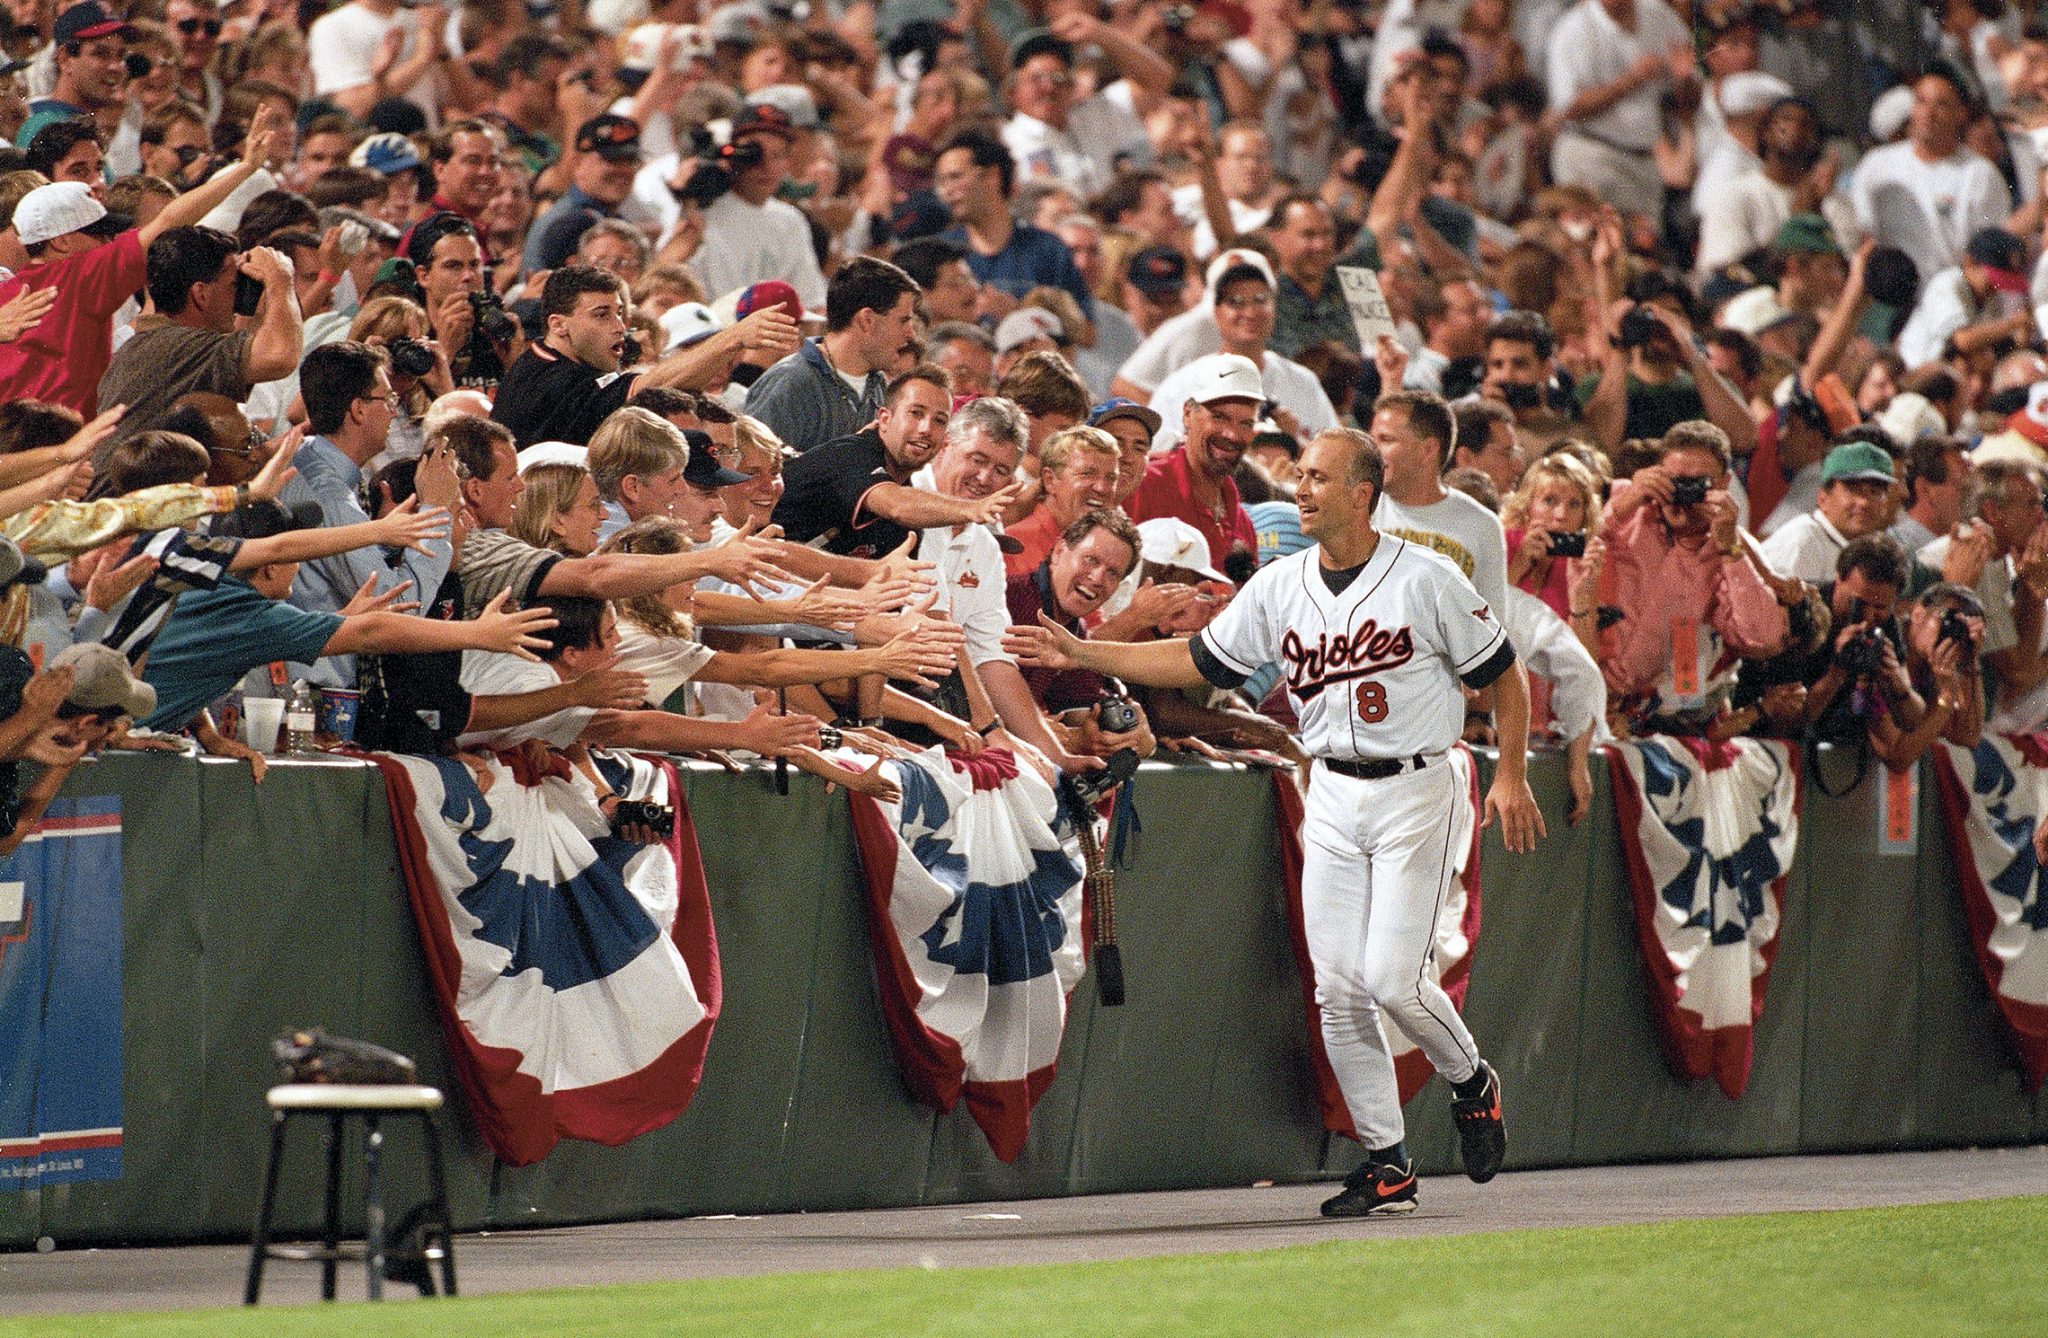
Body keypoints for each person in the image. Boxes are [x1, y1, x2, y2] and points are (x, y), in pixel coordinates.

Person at [1003, 424, 1539, 1218]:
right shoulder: (1282, 584)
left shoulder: (1425, 578)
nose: (1302, 487)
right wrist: (1086, 654)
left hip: (1415, 785)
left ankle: (1471, 1081)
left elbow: (1504, 675)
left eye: (1320, 476)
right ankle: (1387, 1161)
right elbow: (1195, 659)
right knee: (1338, 990)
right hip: (1330, 789)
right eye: (1302, 474)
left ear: (1362, 493)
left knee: (1394, 981)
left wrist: (1514, 774)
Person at [0, 112, 281, 416]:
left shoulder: (7, 293)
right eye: (97, 232)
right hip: (61, 436)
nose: (107, 241)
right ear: (61, 241)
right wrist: (246, 168)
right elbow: (169, 221)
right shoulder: (80, 276)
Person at [277, 340, 461, 685]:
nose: (394, 411)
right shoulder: (329, 496)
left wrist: (385, 540)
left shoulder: (307, 459)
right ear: (358, 409)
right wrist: (436, 510)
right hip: (309, 690)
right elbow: (400, 608)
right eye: (388, 400)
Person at [491, 264, 795, 448]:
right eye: (601, 314)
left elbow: (679, 388)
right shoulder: (547, 379)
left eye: (619, 313)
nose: (619, 327)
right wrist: (733, 337)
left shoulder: (563, 363)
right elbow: (651, 390)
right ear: (558, 324)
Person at [772, 365, 1020, 559]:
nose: (926, 429)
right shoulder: (850, 455)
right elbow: (896, 505)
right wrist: (972, 508)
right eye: (916, 413)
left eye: (939, 420)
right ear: (885, 418)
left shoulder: (908, 526)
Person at [96, 228, 302, 451]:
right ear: (200, 294)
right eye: (233, 285)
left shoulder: (152, 343)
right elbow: (280, 357)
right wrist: (281, 279)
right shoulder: (181, 348)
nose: (237, 295)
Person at [1145, 249, 1338, 456]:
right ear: (1216, 312)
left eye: (1260, 299)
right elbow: (1154, 459)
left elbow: (1334, 462)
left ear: (1274, 306)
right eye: (1235, 302)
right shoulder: (1182, 385)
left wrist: (1293, 442)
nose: (1250, 312)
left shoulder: (1304, 383)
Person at [1849, 68, 2007, 295]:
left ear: (1960, 114)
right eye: (1921, 101)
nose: (1928, 113)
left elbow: (1988, 255)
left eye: (1941, 105)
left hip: (1952, 299)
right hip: (1890, 299)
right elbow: (1864, 240)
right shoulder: (1876, 165)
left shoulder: (1981, 174)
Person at [742, 256, 920, 454]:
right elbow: (753, 466)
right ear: (867, 320)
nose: (911, 333)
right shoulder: (789, 384)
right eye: (903, 321)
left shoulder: (878, 385)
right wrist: (840, 457)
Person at [1368, 387, 1511, 616]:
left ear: (1428, 450)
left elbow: (1493, 623)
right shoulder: (1359, 511)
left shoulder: (1483, 525)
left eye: (1386, 439)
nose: (1371, 451)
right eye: (1371, 439)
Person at [934, 126, 1093, 318]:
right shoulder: (939, 254)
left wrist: (1017, 315)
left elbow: (1085, 327)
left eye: (955, 177)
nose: (947, 191)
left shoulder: (1048, 250)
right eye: (942, 182)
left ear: (992, 176)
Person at [1126, 353, 1262, 573]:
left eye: (1245, 423)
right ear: (1188, 414)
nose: (1231, 434)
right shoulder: (1141, 485)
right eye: (1219, 417)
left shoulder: (1243, 524)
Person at [691, 103, 828, 315]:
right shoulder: (702, 213)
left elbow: (812, 302)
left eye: (777, 155)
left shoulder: (790, 221)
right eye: (754, 153)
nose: (766, 166)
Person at [1758, 441, 1897, 585]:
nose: (1864, 502)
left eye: (1874, 492)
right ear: (1822, 498)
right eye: (1853, 490)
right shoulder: (1802, 544)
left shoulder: (1869, 550)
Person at [522, 114, 643, 275]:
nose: (624, 170)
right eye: (612, 160)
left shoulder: (601, 216)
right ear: (578, 163)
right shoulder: (571, 224)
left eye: (631, 160)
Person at [1003, 424, 1120, 578]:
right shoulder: (1013, 547)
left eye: (1111, 478)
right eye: (1087, 474)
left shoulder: (1106, 550)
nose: (1102, 488)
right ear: (1050, 480)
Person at [16, 2, 132, 150]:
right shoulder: (46, 127)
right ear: (64, 59)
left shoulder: (78, 123)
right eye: (101, 54)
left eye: (121, 56)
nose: (115, 66)